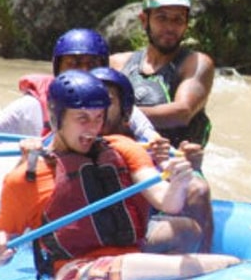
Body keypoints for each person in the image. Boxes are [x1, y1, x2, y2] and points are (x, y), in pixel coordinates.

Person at [0, 70, 238, 280]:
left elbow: (167, 202)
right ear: (55, 116)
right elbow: (2, 251)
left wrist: (178, 183)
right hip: (78, 272)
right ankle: (223, 270)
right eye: (81, 118)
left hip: (130, 256)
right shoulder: (25, 178)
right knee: (125, 265)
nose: (92, 128)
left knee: (182, 230)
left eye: (98, 118)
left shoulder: (121, 148)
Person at [0, 28, 159, 146]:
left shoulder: (117, 105)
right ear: (57, 69)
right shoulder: (33, 107)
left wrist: (160, 148)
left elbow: (153, 140)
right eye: (73, 64)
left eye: (91, 65)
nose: (82, 72)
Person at [90, 66, 215, 251]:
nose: (97, 110)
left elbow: (163, 194)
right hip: (86, 234)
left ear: (125, 111)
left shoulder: (135, 145)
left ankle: (203, 260)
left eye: (106, 101)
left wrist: (181, 170)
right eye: (91, 102)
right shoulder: (69, 134)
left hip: (124, 231)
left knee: (193, 206)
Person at [109, 0, 213, 148]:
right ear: (144, 20)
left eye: (178, 19)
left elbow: (182, 112)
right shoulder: (117, 64)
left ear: (186, 24)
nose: (170, 27)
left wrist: (119, 115)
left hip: (177, 161)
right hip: (124, 157)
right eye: (162, 18)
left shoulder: (197, 63)